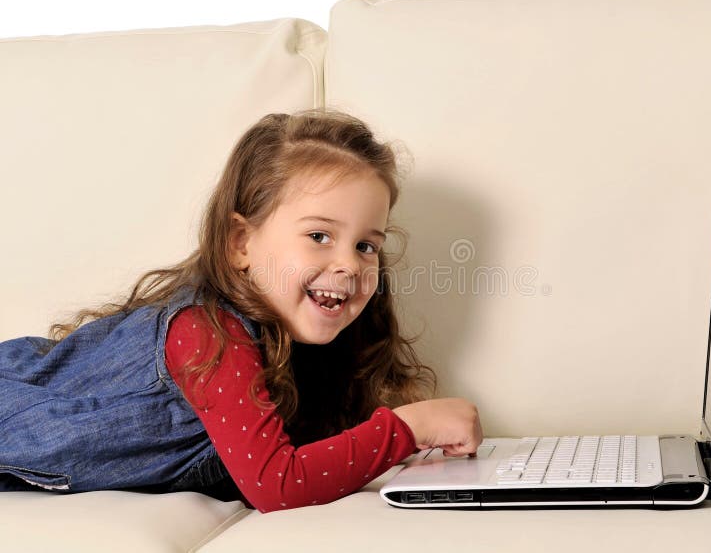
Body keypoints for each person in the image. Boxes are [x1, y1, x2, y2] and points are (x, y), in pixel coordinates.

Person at [0, 108, 483, 513]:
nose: (348, 264)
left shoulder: (297, 343)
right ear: (240, 243)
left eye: (365, 246)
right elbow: (277, 484)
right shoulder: (207, 334)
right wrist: (408, 429)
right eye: (319, 236)